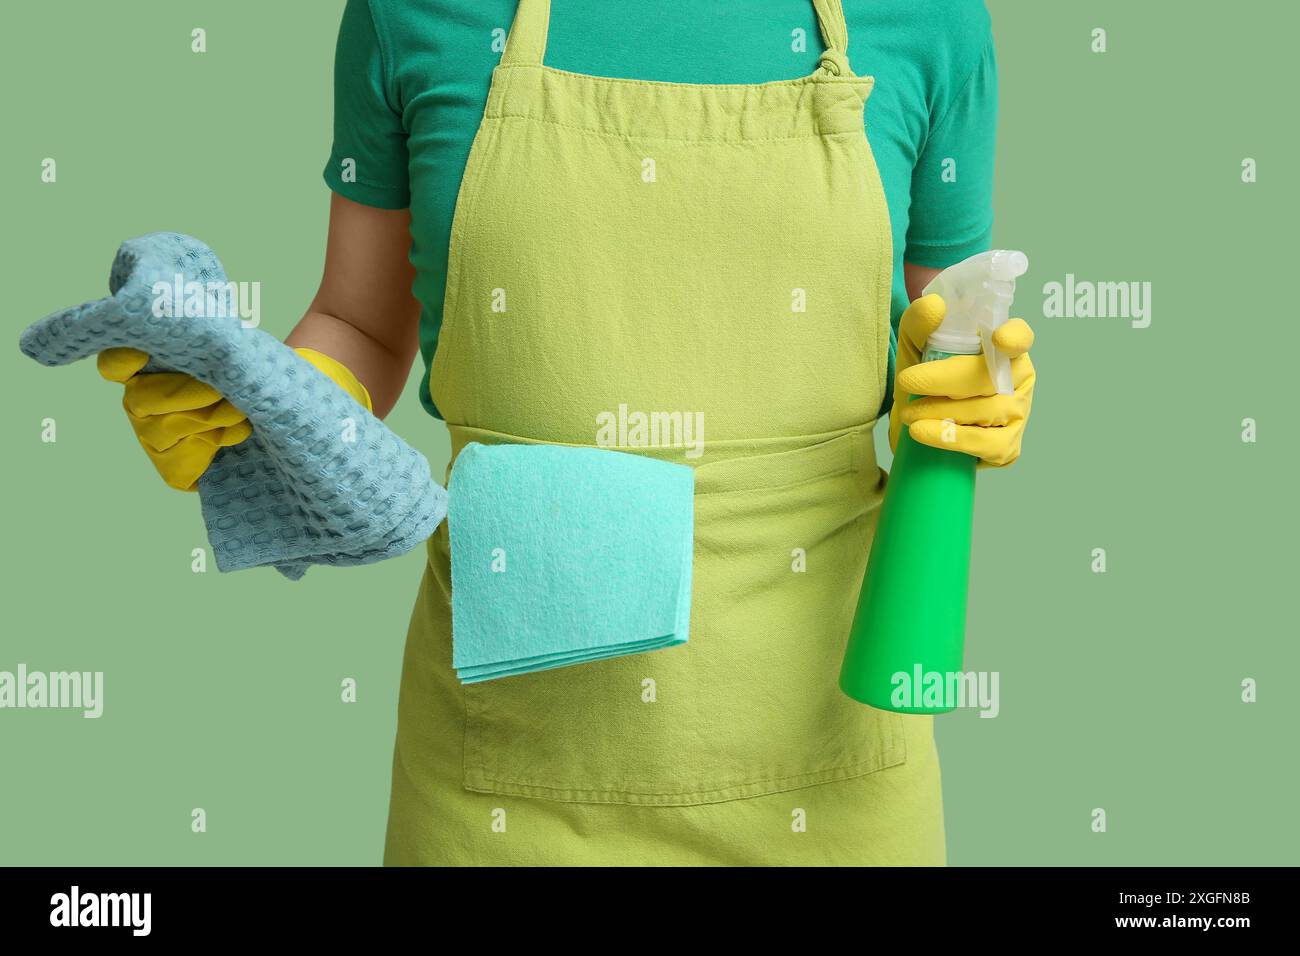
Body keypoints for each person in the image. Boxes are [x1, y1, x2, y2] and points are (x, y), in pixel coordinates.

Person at [100, 0, 1036, 865]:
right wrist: (263, 405)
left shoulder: (927, 15)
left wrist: (969, 397)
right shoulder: (411, 11)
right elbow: (362, 321)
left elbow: (946, 323)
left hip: (833, 769)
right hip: (499, 791)